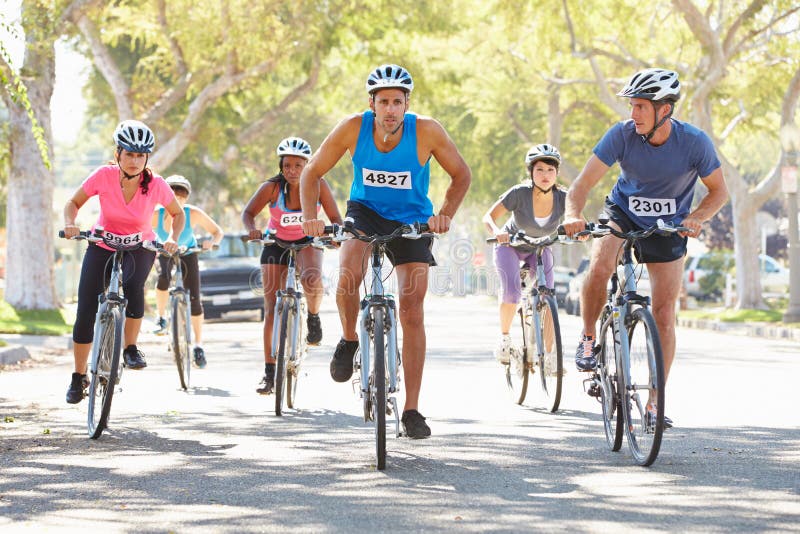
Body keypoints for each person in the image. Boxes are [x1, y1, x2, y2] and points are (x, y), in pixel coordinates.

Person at [300, 64, 471, 439]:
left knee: (412, 310)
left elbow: (462, 174)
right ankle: (349, 338)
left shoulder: (426, 130)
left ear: (407, 104)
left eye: (397, 101)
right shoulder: (352, 128)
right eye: (383, 102)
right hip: (365, 211)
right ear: (372, 104)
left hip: (412, 218)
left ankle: (411, 409)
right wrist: (310, 217)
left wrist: (444, 215)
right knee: (348, 273)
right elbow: (311, 172)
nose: (390, 109)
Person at [561, 68, 729, 426]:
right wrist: (573, 214)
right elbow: (580, 185)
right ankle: (589, 336)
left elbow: (719, 192)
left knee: (665, 314)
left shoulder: (695, 143)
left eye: (640, 107)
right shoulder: (621, 135)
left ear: (664, 110)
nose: (633, 114)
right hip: (623, 212)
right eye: (632, 106)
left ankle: (655, 403)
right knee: (601, 264)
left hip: (670, 225)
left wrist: (697, 217)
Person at [63, 120, 184, 404]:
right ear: (118, 153)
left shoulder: (155, 184)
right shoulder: (103, 175)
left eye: (140, 155)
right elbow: (73, 202)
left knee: (133, 289)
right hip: (102, 243)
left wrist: (172, 237)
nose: (134, 160)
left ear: (147, 158)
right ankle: (79, 376)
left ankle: (130, 347)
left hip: (139, 246)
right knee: (86, 309)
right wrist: (70, 223)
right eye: (129, 153)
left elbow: (177, 214)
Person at [242, 137, 343, 395]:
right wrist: (252, 230)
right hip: (276, 243)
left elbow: (335, 218)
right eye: (287, 165)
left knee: (311, 279)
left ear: (308, 165)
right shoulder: (272, 188)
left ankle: (313, 316)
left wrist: (334, 234)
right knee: (271, 309)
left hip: (308, 241)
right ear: (281, 165)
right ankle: (269, 373)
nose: (292, 171)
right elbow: (248, 213)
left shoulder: (319, 185)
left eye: (298, 165)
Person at [483, 144, 566, 363]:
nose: (545, 175)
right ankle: (505, 339)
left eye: (550, 170)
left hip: (539, 248)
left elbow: (579, 220)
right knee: (512, 293)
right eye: (539, 170)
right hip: (510, 246)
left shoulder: (564, 198)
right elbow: (489, 217)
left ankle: (550, 356)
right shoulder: (519, 193)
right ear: (531, 172)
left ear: (557, 173)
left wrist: (581, 230)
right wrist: (498, 232)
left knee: (548, 296)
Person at [151, 175, 224, 368]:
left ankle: (198, 346)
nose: (177, 197)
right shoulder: (155, 214)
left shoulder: (193, 213)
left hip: (189, 252)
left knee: (195, 299)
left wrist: (212, 242)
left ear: (186, 197)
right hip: (164, 251)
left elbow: (218, 232)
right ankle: (161, 318)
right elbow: (140, 228)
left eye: (182, 194)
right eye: (173, 193)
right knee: (163, 279)